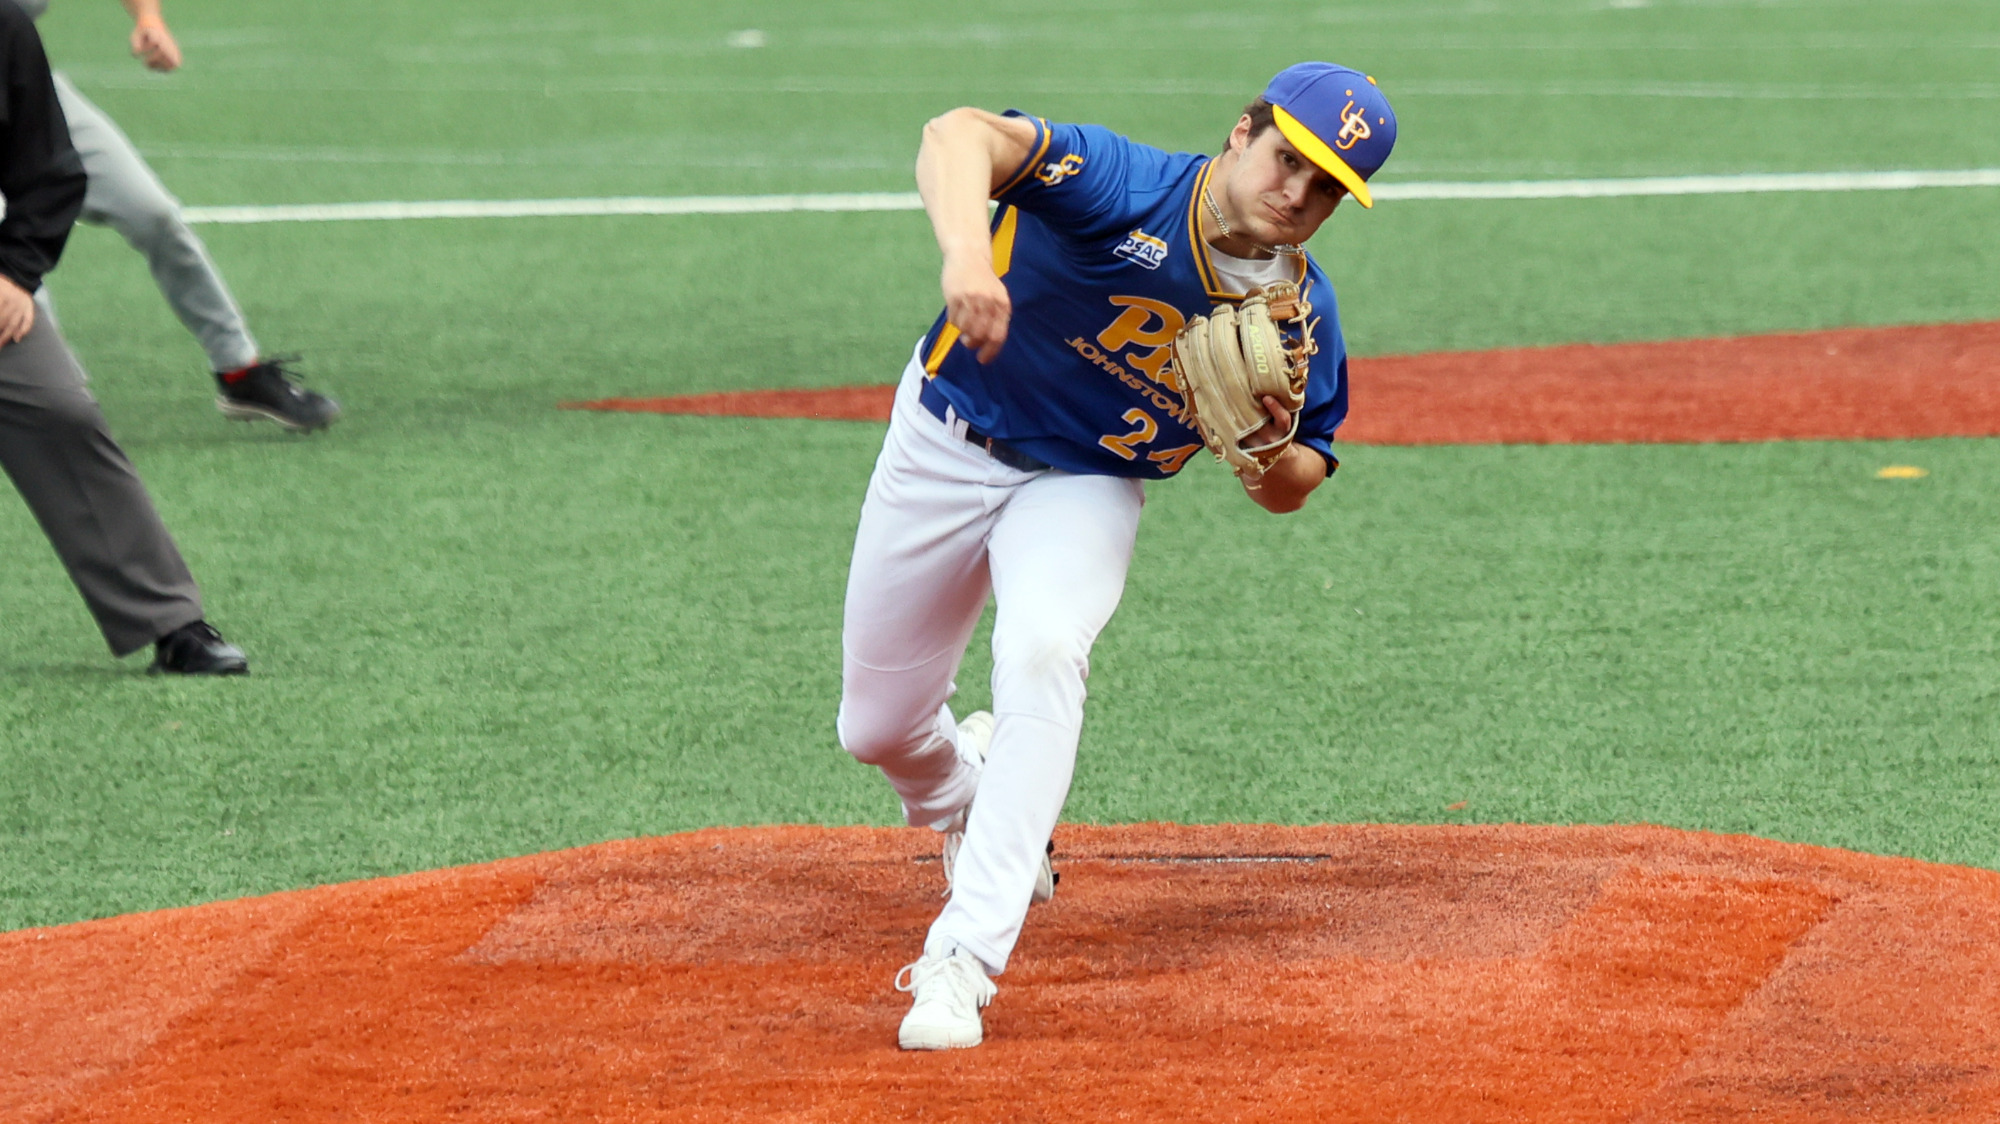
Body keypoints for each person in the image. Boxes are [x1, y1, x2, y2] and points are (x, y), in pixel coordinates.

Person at [835, 62, 1397, 1050]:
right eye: (1286, 160)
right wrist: (967, 256)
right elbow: (953, 134)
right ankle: (966, 788)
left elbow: (1292, 481)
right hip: (942, 435)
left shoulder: (1299, 318)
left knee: (1045, 649)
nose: (1294, 195)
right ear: (1240, 132)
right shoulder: (1125, 187)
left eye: (1324, 189)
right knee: (874, 727)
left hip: (1083, 482)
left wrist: (1265, 451)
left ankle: (962, 957)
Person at [1, 0, 247, 674]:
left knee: (58, 407)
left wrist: (16, 273)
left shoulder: (6, 27)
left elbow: (47, 171)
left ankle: (170, 622)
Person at [13, 0, 339, 432]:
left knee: (153, 213)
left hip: (27, 82)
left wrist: (148, 18)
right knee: (11, 259)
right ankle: (57, 397)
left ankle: (238, 371)